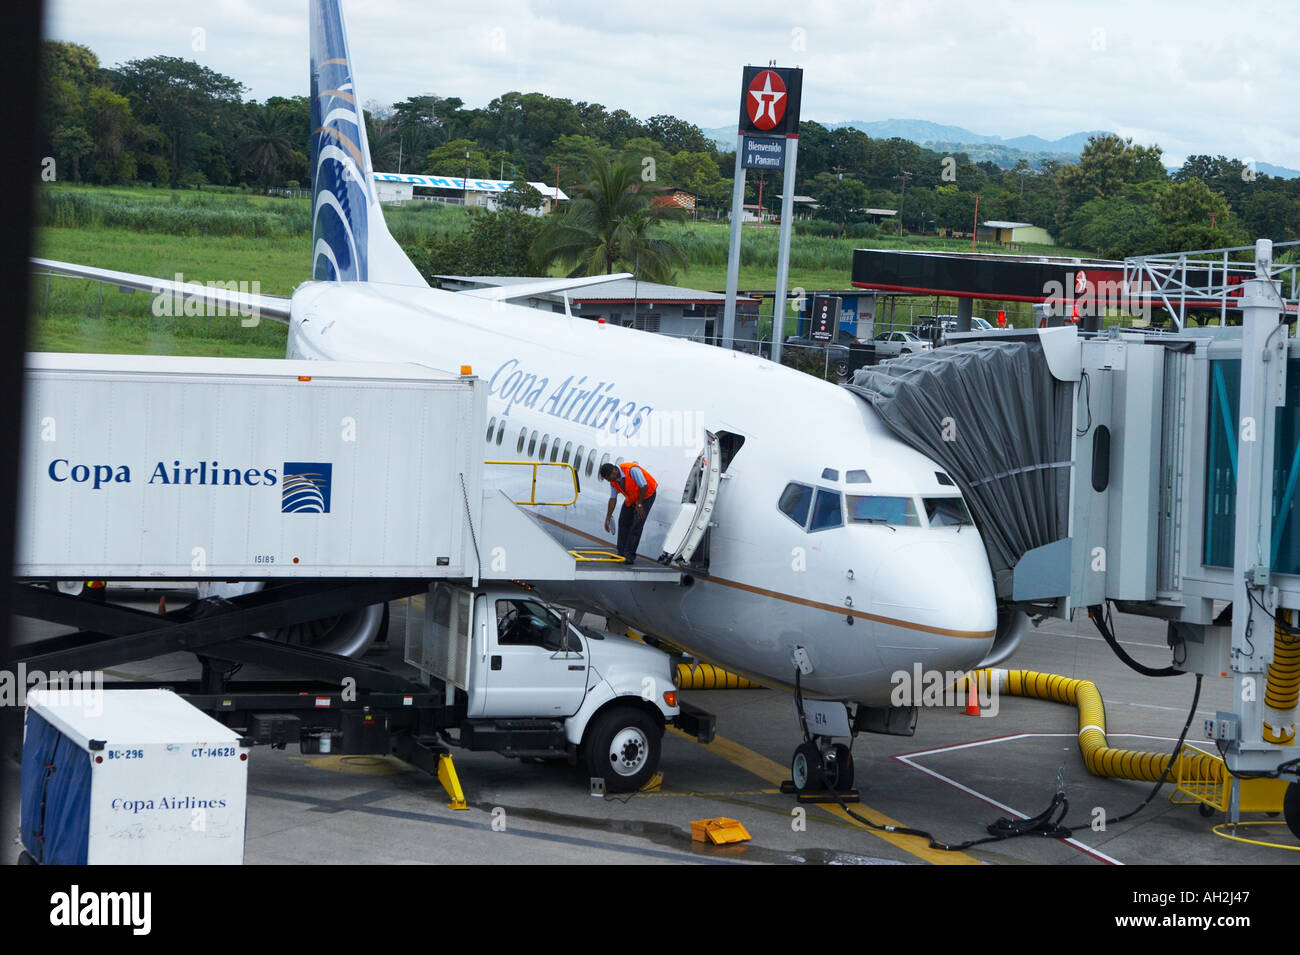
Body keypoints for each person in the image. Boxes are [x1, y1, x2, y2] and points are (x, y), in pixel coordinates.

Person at [600, 461, 657, 565]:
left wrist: (639, 505)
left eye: (609, 478)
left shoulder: (632, 470)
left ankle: (630, 555)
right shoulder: (613, 481)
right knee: (623, 521)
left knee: (637, 524)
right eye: (608, 479)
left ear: (615, 470)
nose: (610, 481)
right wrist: (607, 518)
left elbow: (644, 486)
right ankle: (621, 552)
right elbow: (613, 499)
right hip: (632, 497)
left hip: (646, 495)